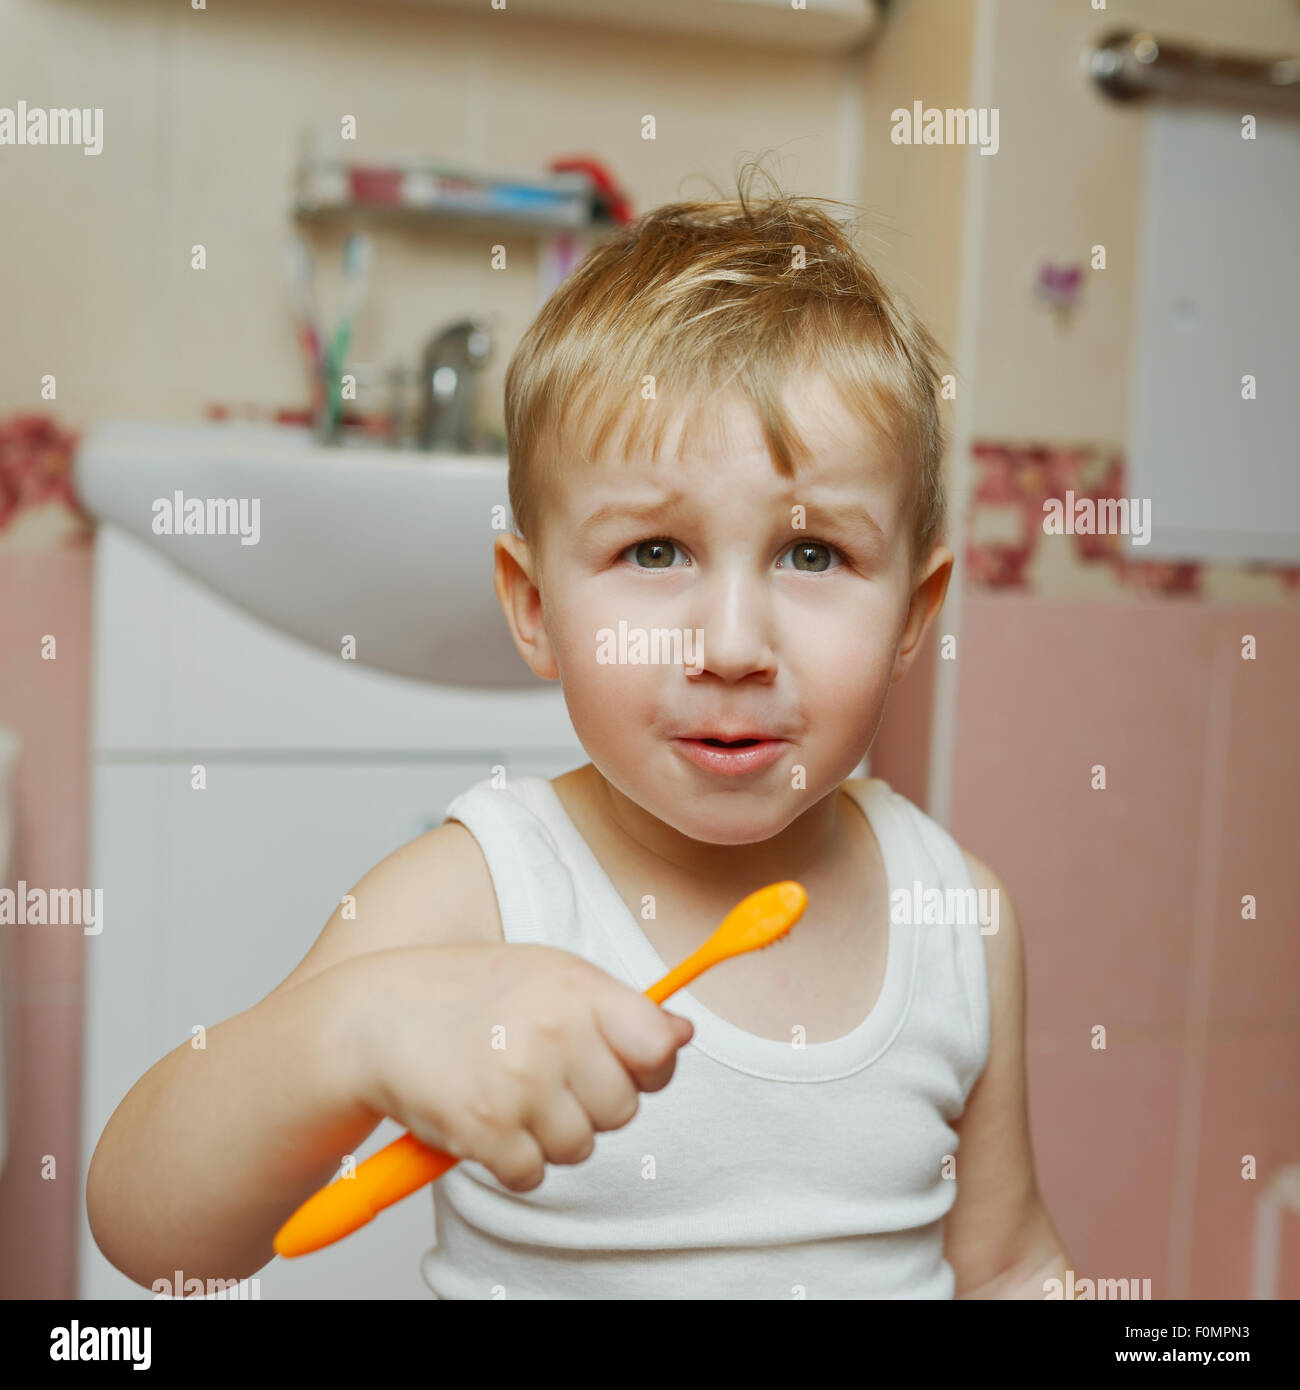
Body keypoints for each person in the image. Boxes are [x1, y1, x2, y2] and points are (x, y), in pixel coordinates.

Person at [87, 170, 1072, 1300]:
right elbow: (146, 1231)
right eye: (653, 551)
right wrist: (352, 1032)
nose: (735, 644)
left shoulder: (960, 917)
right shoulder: (481, 898)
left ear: (913, 611)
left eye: (813, 555)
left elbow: (1006, 1263)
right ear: (533, 603)